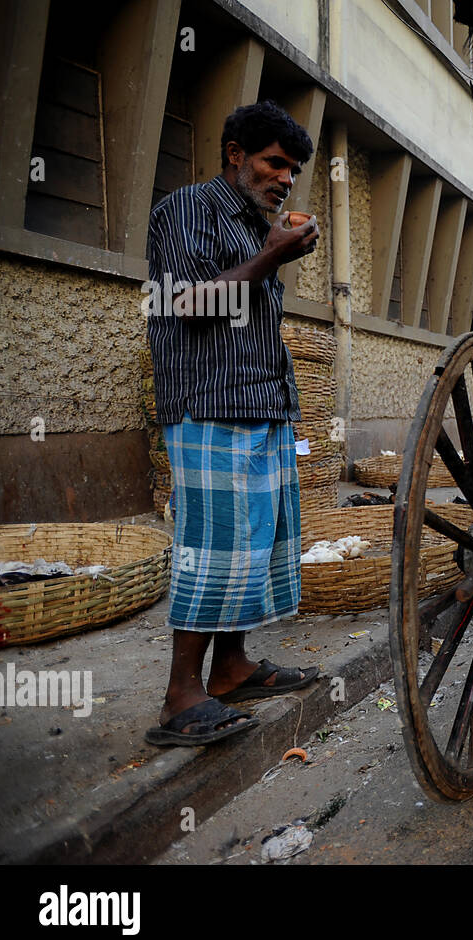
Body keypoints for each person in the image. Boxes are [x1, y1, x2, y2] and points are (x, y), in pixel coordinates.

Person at [144, 102, 322, 746]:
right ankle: (179, 696)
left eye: (293, 171)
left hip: (259, 403)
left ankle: (231, 669)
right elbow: (186, 303)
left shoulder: (256, 225)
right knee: (213, 546)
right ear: (234, 153)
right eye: (274, 163)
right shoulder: (190, 210)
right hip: (209, 406)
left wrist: (272, 247)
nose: (284, 180)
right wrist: (273, 256)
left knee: (250, 546)